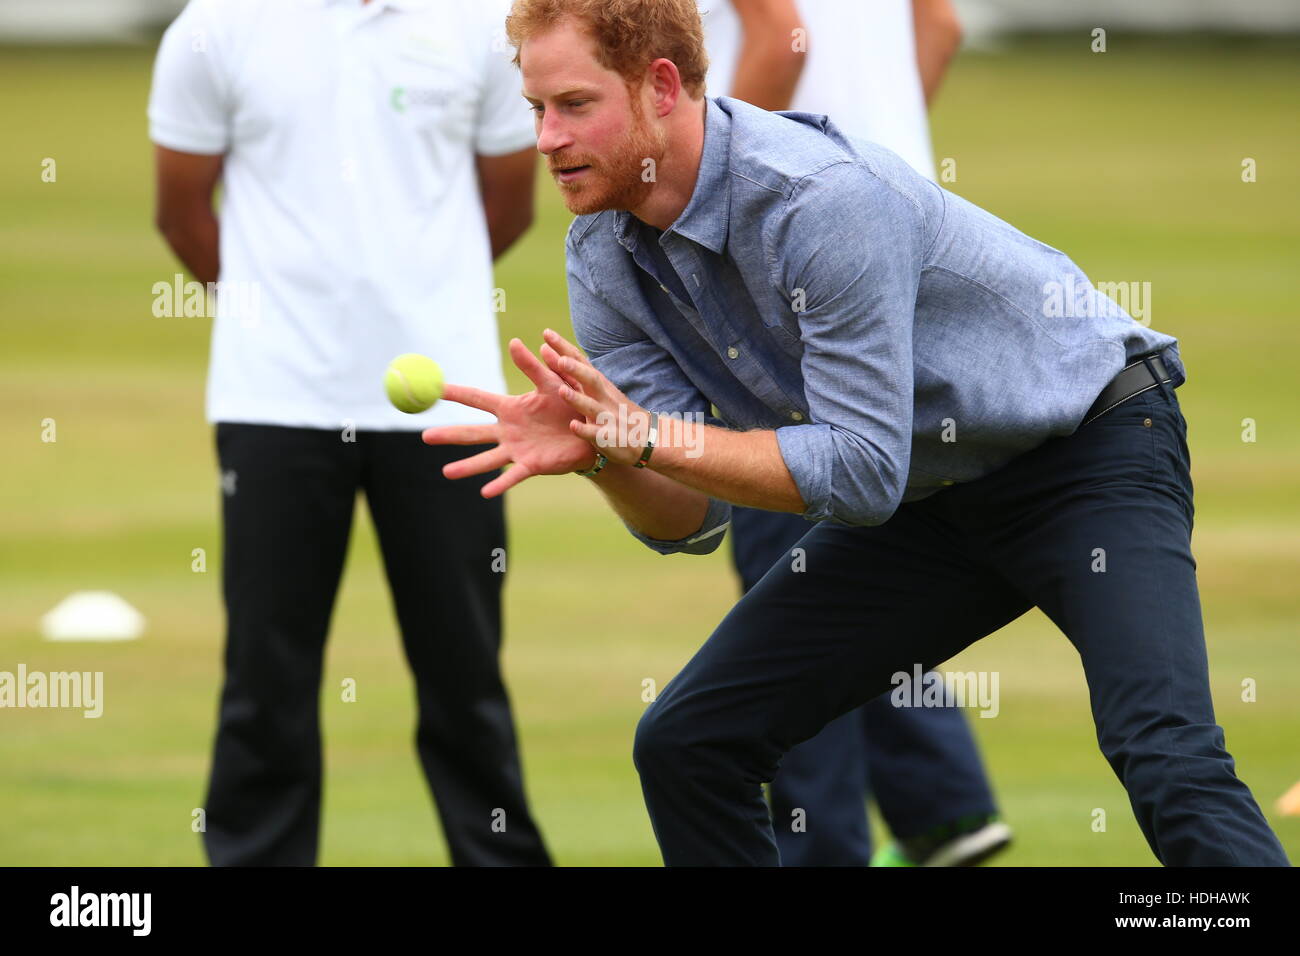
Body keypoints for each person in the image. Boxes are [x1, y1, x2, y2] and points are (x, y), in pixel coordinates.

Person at [423, 0, 1292, 868]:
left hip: (1090, 449)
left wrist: (645, 436)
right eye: (537, 110)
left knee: (1166, 753)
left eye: (574, 105)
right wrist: (606, 456)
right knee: (689, 741)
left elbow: (862, 472)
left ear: (659, 88)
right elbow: (687, 519)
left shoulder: (818, 200)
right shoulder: (603, 250)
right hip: (932, 498)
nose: (544, 139)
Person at [148, 0, 550, 866]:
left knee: (466, 676)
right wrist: (277, 317)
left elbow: (510, 203)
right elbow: (181, 210)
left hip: (446, 402)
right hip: (275, 400)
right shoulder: (215, 28)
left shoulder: (484, 25)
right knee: (266, 679)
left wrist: (418, 295)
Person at [699, 0, 1008, 867]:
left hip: (789, 239)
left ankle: (825, 847)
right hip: (897, 224)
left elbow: (781, 37)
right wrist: (879, 161)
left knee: (785, 557)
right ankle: (942, 805)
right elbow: (940, 28)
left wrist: (707, 206)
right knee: (863, 530)